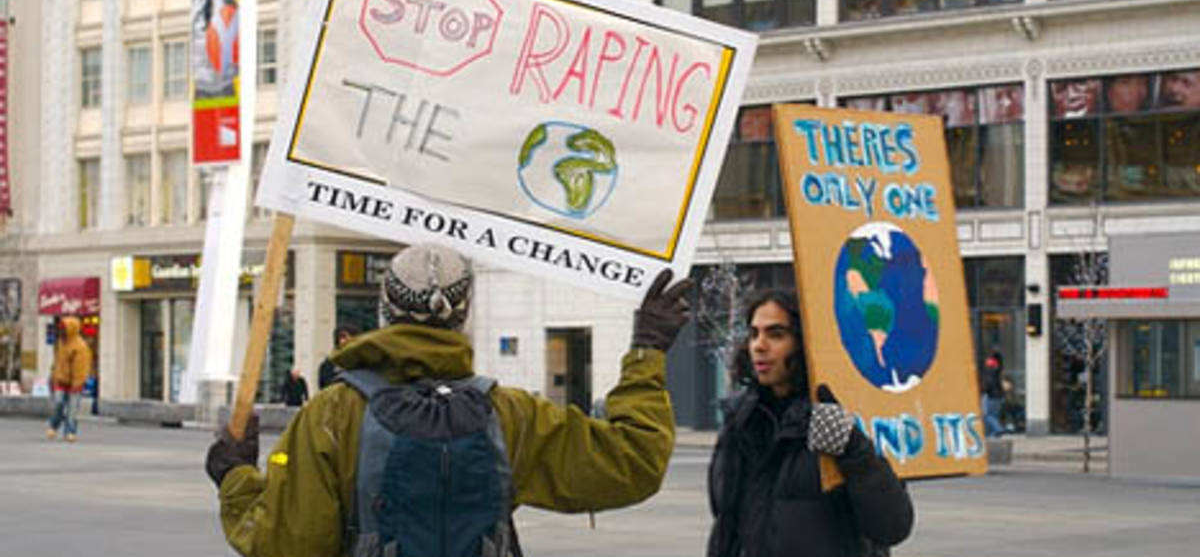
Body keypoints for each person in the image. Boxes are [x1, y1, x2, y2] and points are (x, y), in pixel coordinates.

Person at [205, 244, 692, 556]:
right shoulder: (511, 414)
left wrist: (236, 477)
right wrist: (647, 349)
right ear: (463, 315)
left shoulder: (331, 414)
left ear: (384, 308)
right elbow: (633, 463)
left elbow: (285, 542)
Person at [707, 290, 913, 557]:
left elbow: (891, 526)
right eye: (754, 333)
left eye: (776, 334)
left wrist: (853, 448)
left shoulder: (843, 413)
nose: (759, 345)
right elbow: (726, 526)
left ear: (806, 342)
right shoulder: (741, 422)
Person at [45, 316, 93, 443]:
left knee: (72, 409)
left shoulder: (80, 346)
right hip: (60, 380)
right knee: (58, 403)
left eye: (63, 329)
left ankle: (70, 431)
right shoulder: (60, 343)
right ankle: (54, 425)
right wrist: (53, 375)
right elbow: (57, 362)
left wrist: (78, 383)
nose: (61, 332)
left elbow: (82, 367)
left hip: (75, 383)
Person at [317, 326, 353, 390]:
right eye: (343, 337)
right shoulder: (328, 364)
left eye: (351, 336)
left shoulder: (361, 362)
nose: (348, 339)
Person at [981, 351, 1005, 438]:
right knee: (993, 415)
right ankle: (993, 434)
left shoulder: (991, 371)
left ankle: (998, 429)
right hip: (998, 396)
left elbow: (988, 384)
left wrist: (983, 390)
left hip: (992, 396)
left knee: (988, 415)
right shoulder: (998, 370)